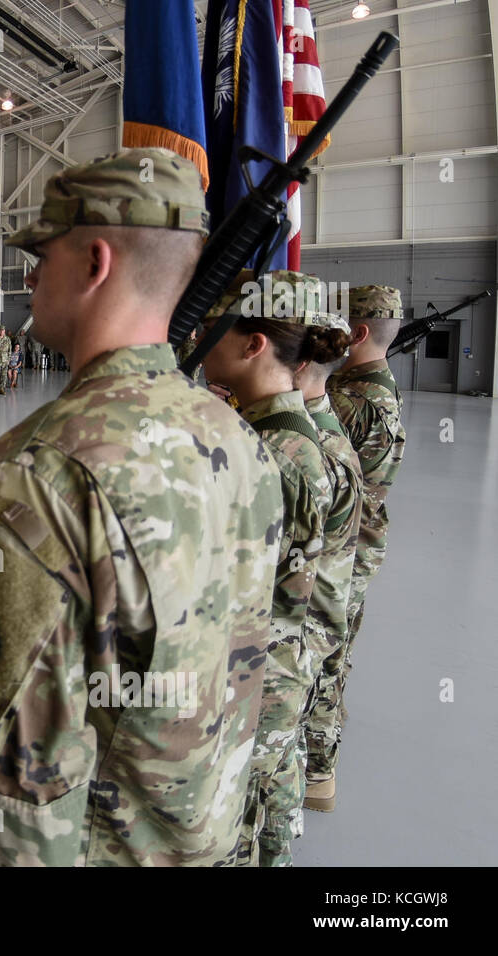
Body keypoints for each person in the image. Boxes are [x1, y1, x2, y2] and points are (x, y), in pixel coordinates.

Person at [0, 148, 283, 867]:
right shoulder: (240, 437)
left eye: (43, 255)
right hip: (208, 835)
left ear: (94, 262)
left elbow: (14, 798)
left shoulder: (36, 476)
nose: (29, 276)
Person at [200, 269, 334, 867]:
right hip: (264, 670)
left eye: (214, 328)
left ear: (253, 344)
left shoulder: (273, 455)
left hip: (250, 681)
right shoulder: (271, 435)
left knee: (232, 833)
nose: (202, 339)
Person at [313, 285, 407, 812]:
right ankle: (332, 713)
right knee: (340, 640)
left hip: (342, 544)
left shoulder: (351, 402)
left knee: (323, 652)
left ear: (360, 332)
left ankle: (319, 771)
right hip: (364, 538)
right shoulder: (376, 386)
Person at [292, 315, 363, 818]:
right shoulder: (323, 428)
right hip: (327, 600)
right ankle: (318, 775)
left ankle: (313, 776)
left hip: (306, 620)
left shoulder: (306, 448)